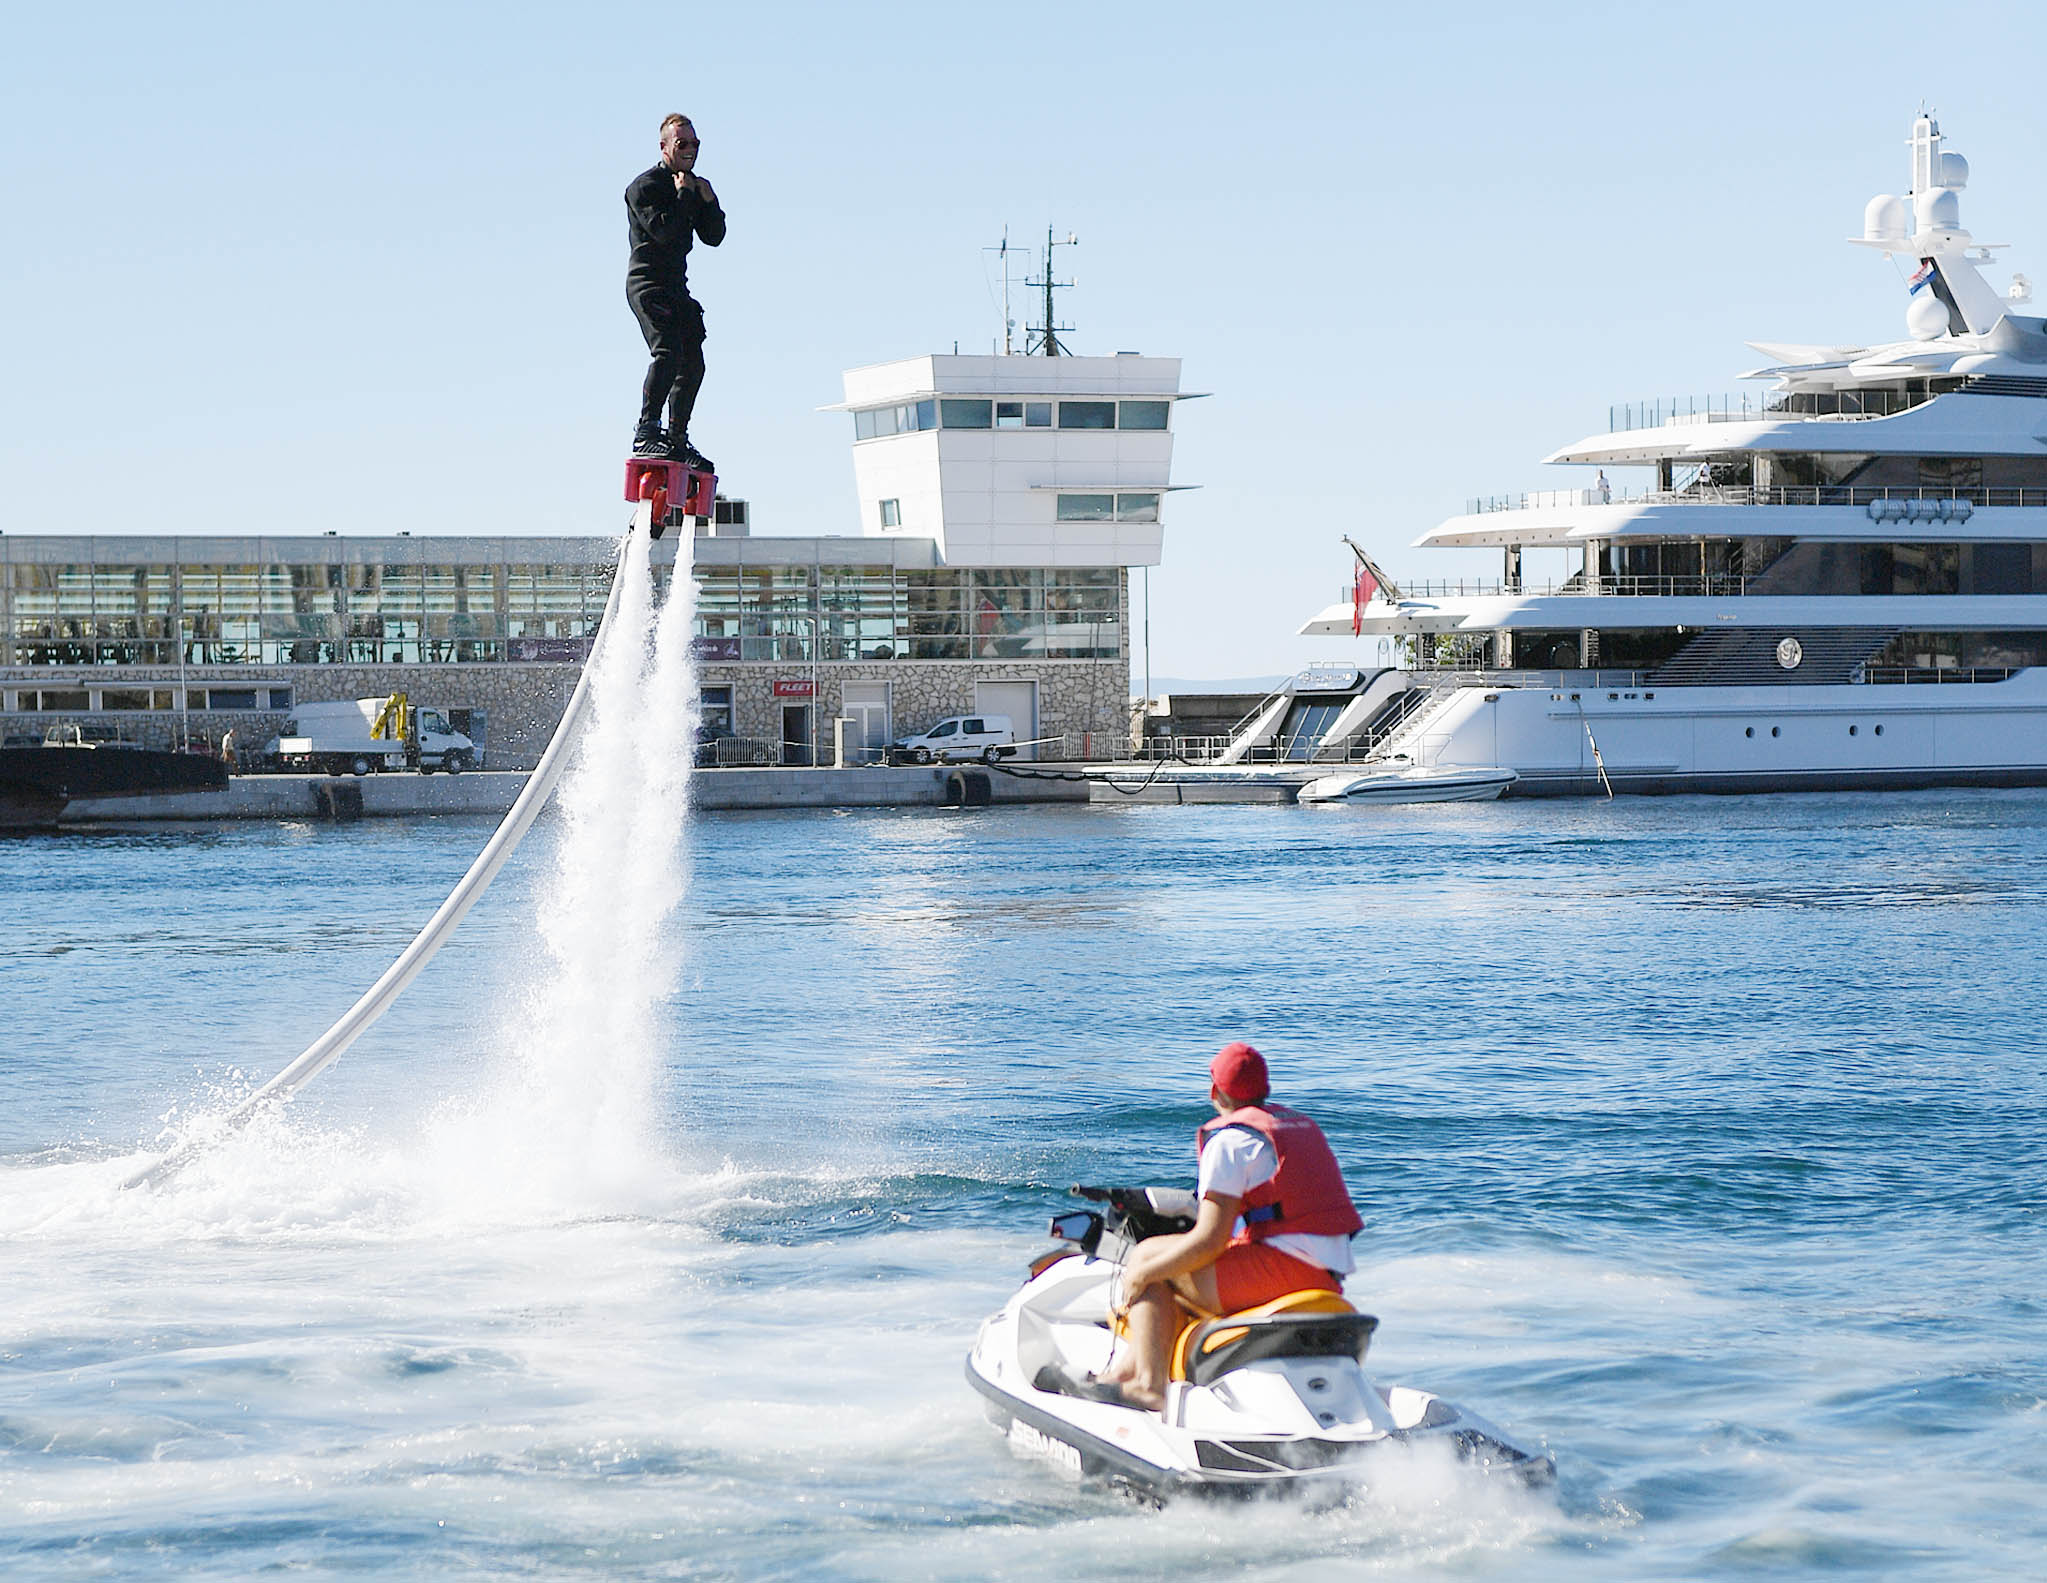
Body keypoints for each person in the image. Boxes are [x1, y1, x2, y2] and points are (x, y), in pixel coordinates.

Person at [1086, 1041, 1362, 1412]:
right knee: (1159, 1258)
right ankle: (1127, 1369)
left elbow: (1209, 1241)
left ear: (1215, 1091)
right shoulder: (1294, 1128)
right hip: (1327, 1274)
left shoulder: (1230, 1143)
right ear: (1265, 1089)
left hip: (1285, 1272)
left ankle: (1148, 1386)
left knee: (1149, 1262)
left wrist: (1141, 1275)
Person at [625, 113, 726, 468]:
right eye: (682, 144)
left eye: (695, 144)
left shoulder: (692, 185)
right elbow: (667, 233)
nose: (690, 150)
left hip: (676, 288)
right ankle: (646, 432)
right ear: (664, 146)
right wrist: (684, 195)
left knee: (693, 361)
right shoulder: (645, 186)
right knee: (667, 351)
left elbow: (713, 237)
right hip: (648, 284)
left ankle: (677, 438)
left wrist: (709, 202)